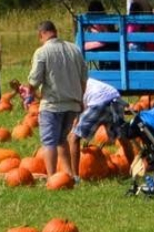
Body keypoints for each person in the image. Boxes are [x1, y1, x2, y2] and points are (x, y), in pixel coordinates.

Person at [27, 20, 88, 179]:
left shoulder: (42, 52)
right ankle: (69, 175)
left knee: (49, 141)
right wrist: (81, 100)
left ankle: (52, 176)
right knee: (62, 139)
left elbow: (35, 80)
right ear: (55, 31)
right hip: (73, 105)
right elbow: (83, 78)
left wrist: (29, 91)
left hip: (52, 105)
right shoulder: (74, 49)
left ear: (41, 35)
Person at [69, 76, 134, 174]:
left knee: (73, 138)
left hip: (98, 101)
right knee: (122, 137)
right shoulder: (78, 77)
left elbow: (79, 108)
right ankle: (132, 171)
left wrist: (75, 127)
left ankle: (74, 177)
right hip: (115, 97)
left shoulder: (68, 85)